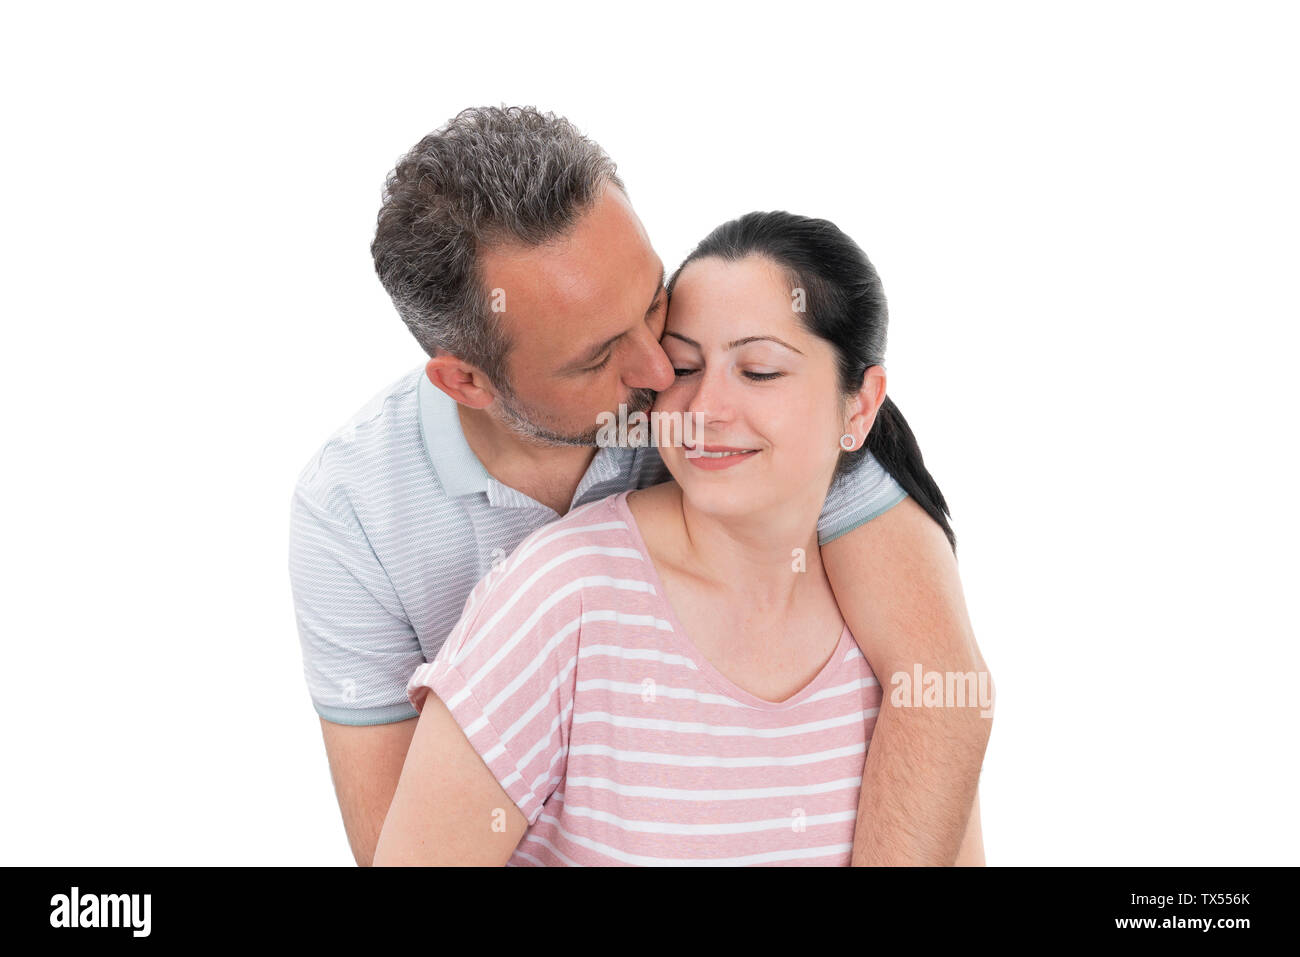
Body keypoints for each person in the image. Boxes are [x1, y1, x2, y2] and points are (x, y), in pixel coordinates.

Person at [289, 106, 991, 866]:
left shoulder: (739, 417)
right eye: (598, 356)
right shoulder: (352, 513)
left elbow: (940, 690)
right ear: (467, 380)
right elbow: (412, 845)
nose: (663, 374)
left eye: (652, 299)